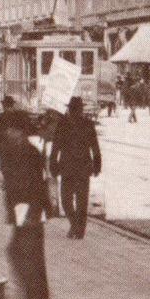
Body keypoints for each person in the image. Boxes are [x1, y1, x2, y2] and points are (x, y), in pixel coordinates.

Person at [0, 117, 51, 299]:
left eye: (11, 129)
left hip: (28, 208)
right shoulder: (21, 151)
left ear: (21, 131)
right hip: (25, 208)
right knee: (25, 252)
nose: (8, 133)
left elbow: (35, 185)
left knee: (25, 253)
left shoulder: (28, 153)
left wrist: (32, 212)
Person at [48, 97, 102, 239]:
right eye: (75, 109)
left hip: (79, 168)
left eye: (77, 109)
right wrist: (53, 164)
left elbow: (94, 146)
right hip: (70, 168)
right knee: (68, 201)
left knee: (79, 201)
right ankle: (75, 225)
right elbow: (56, 146)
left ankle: (79, 230)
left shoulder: (87, 124)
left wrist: (97, 164)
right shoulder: (63, 124)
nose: (77, 112)